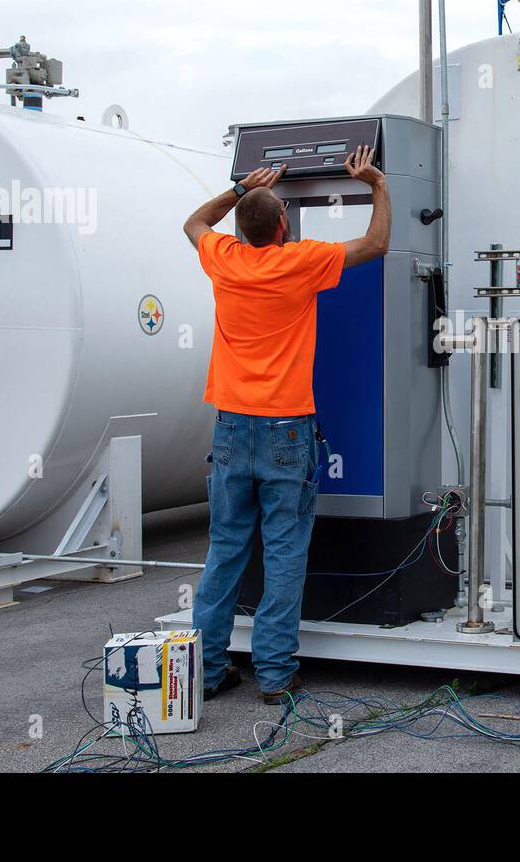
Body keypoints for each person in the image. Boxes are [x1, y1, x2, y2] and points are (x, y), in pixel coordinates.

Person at [182, 145, 390, 704]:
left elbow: (194, 223)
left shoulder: (222, 258)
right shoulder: (300, 261)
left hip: (230, 428)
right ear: (283, 226)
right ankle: (274, 675)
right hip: (286, 431)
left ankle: (206, 670)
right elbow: (375, 245)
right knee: (284, 550)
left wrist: (239, 188)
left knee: (225, 549)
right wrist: (376, 184)